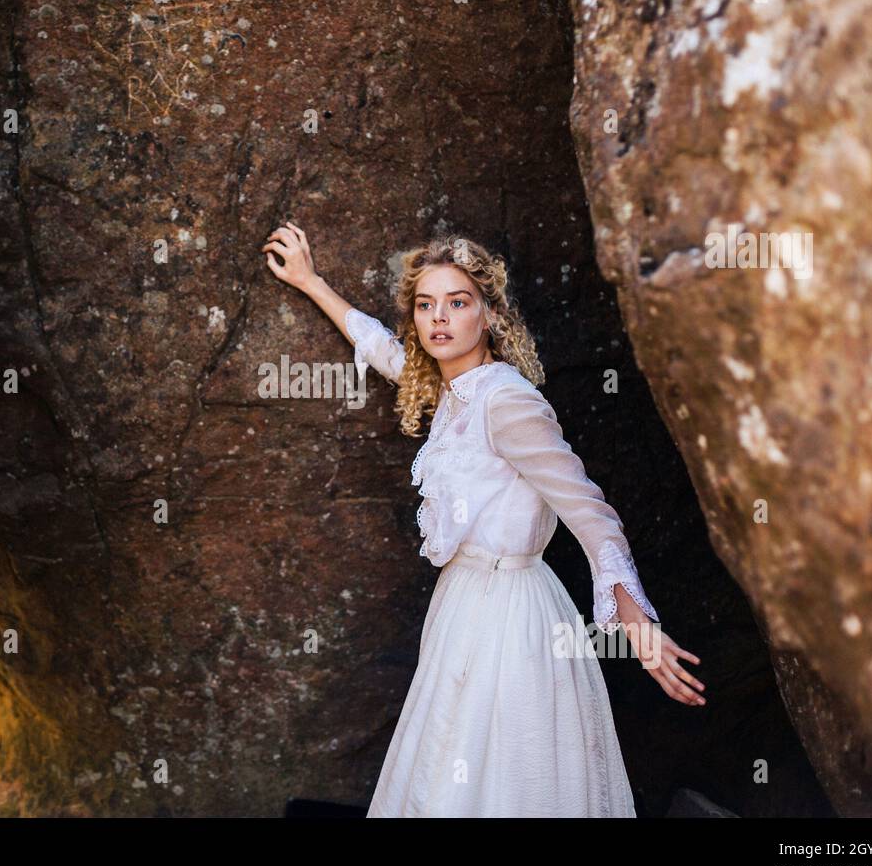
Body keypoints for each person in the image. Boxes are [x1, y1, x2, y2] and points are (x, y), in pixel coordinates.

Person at [262, 222, 706, 817]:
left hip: (513, 615)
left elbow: (590, 512)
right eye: (426, 305)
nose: (439, 318)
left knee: (505, 772)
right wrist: (311, 281)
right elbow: (379, 348)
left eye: (458, 302)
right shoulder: (452, 389)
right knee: (449, 765)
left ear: (490, 316)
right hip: (462, 602)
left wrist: (635, 621)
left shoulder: (507, 400)